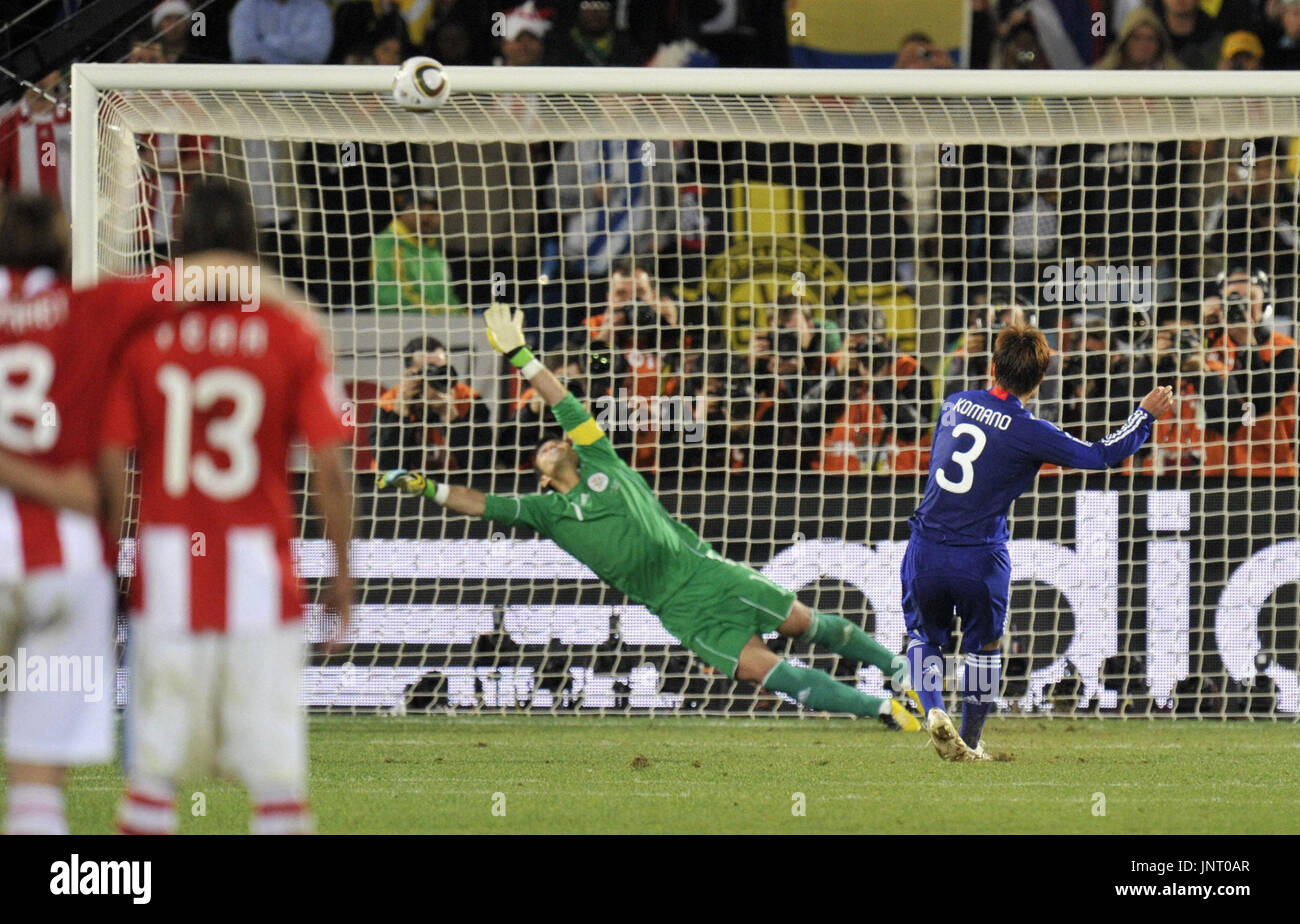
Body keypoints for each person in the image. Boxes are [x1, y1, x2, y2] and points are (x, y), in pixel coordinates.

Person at [379, 304, 922, 729]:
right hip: (678, 609)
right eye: (542, 449)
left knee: (807, 625)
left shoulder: (600, 456)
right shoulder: (547, 510)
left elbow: (565, 402)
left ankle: (896, 667)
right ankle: (880, 710)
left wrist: (522, 356)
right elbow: (482, 504)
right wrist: (427, 487)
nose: (550, 441)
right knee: (767, 671)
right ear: (543, 477)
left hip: (708, 571)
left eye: (554, 439)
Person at [100, 181, 354, 835]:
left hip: (168, 568)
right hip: (260, 574)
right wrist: (344, 574)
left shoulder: (142, 334)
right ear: (252, 243)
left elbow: (112, 461)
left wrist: (106, 561)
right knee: (277, 790)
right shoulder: (291, 329)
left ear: (181, 242)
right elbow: (329, 465)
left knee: (152, 785)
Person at [903, 323, 1173, 761]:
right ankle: (970, 740)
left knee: (922, 636)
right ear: (1041, 380)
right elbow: (1099, 455)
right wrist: (1143, 415)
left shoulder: (955, 403)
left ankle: (933, 710)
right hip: (980, 556)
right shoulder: (1031, 431)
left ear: (992, 366)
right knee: (985, 647)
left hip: (927, 546)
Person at [0, 193, 181, 834]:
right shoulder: (93, 308)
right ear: (61, 247)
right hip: (67, 568)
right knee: (37, 788)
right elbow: (196, 278)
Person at [1203, 270, 1298, 477]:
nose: (1240, 306)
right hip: (1216, 470)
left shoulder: (1286, 349)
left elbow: (1260, 403)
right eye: (1232, 299)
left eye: (1248, 298)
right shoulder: (1209, 344)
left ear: (1265, 304)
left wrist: (1247, 344)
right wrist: (1197, 324)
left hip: (1270, 470)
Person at [373, 336, 492, 474]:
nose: (433, 378)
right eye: (426, 371)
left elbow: (480, 465)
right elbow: (387, 466)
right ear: (409, 374)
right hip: (402, 487)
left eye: (440, 371)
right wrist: (401, 411)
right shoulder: (388, 403)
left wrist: (450, 415)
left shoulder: (468, 399)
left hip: (454, 488)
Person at [370, 187, 462, 312]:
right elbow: (390, 296)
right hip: (400, 326)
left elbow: (447, 296)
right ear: (404, 211)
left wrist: (461, 317)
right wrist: (439, 316)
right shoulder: (387, 244)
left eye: (434, 210)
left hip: (438, 327)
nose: (428, 216)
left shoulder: (432, 248)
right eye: (421, 209)